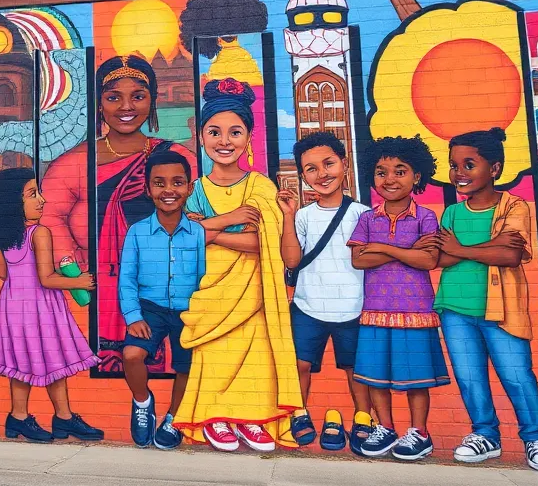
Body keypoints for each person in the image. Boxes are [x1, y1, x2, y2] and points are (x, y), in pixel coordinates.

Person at [40, 55, 194, 372]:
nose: (126, 107)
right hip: (100, 287)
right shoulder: (74, 163)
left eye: (138, 96)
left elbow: (197, 215)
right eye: (113, 97)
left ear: (152, 101)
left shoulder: (175, 157)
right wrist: (73, 270)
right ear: (99, 104)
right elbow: (50, 218)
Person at [177, 78, 302, 452]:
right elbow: (185, 239)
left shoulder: (262, 187)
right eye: (214, 132)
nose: (224, 141)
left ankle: (254, 417)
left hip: (254, 295)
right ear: (200, 136)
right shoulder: (193, 188)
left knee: (255, 357)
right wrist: (228, 218)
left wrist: (210, 230)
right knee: (215, 355)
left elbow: (264, 244)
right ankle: (214, 416)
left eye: (235, 132)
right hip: (210, 291)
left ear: (249, 137)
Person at [433, 127, 538, 472]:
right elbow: (440, 258)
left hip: (501, 309)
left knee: (517, 375)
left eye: (469, 164)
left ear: (495, 168)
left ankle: (536, 437)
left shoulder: (514, 205)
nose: (459, 173)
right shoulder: (453, 213)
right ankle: (485, 435)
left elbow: (511, 254)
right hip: (455, 308)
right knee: (470, 377)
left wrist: (461, 249)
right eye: (454, 165)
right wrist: (481, 249)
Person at [0, 167, 103, 442]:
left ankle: (23, 417)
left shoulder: (4, 236)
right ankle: (59, 416)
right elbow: (46, 279)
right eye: (32, 194)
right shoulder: (39, 233)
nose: (41, 200)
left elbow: (3, 273)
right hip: (40, 307)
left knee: (20, 361)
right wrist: (80, 282)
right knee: (54, 358)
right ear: (14, 202)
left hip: (14, 305)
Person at [348, 135, 449, 461]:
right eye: (381, 171)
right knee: (376, 374)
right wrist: (405, 251)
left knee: (414, 377)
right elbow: (358, 260)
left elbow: (427, 261)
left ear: (417, 176)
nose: (389, 179)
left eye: (400, 171)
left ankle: (419, 432)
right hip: (375, 310)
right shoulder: (367, 218)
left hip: (416, 309)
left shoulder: (426, 217)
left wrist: (383, 248)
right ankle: (386, 427)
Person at [276, 131, 372, 453]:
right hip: (307, 306)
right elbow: (291, 259)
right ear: (303, 176)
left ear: (344, 164)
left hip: (354, 308)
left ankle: (363, 417)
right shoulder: (302, 216)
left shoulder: (363, 214)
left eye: (329, 164)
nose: (322, 174)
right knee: (300, 365)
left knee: (355, 369)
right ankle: (299, 413)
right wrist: (288, 216)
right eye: (311, 169)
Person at [118, 149, 206, 450]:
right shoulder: (137, 232)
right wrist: (133, 316)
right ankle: (143, 403)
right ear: (148, 189)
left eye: (177, 182)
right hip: (149, 308)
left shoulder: (198, 233)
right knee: (132, 355)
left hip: (188, 310)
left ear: (189, 188)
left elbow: (206, 275)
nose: (168, 190)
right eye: (159, 183)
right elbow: (126, 278)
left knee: (187, 366)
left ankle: (173, 417)